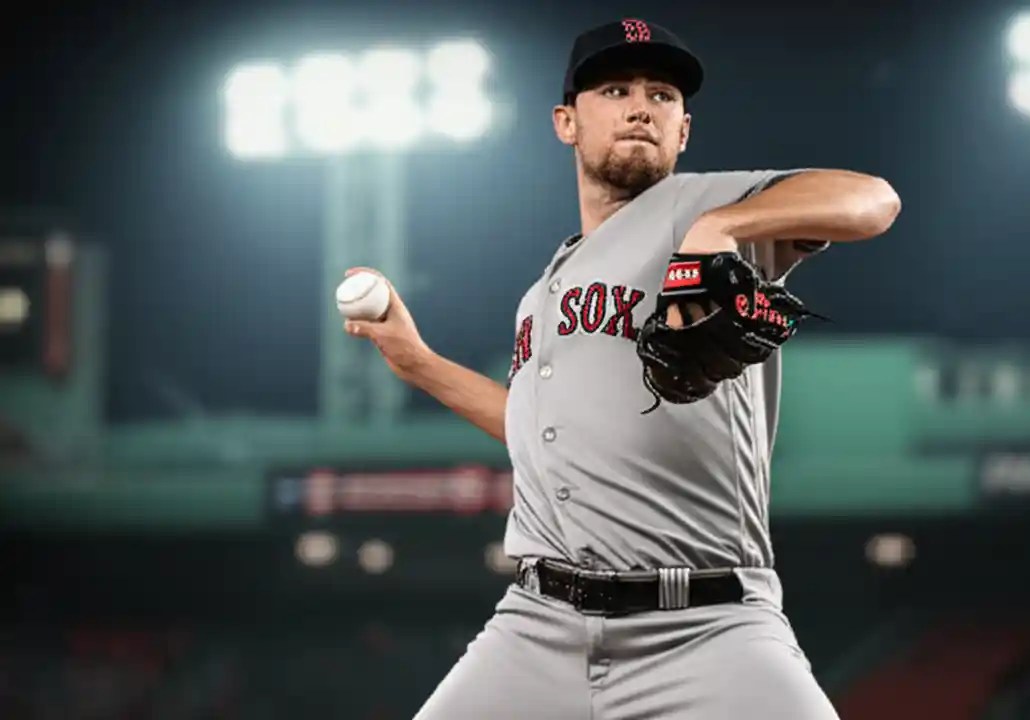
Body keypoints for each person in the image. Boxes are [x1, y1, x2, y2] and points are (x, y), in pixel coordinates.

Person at [344, 17, 900, 720]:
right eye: (616, 89)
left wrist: (722, 228)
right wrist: (416, 363)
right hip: (538, 625)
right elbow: (536, 432)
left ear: (685, 131)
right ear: (566, 122)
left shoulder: (699, 204)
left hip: (709, 624)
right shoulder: (542, 293)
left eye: (663, 96)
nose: (642, 105)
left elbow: (874, 200)